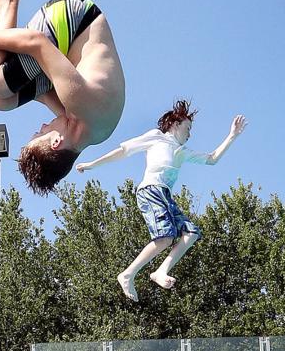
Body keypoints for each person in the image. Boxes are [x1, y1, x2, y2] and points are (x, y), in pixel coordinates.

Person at [0, 0, 126, 194]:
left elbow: (41, 93)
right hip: (75, 20)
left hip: (66, 55)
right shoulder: (83, 105)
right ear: (55, 142)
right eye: (40, 133)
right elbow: (37, 42)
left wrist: (7, 75)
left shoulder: (83, 130)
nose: (43, 126)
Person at [76, 101, 247, 301]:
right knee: (165, 238)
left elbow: (212, 158)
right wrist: (92, 164)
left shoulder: (182, 152)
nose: (190, 134)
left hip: (165, 195)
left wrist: (232, 136)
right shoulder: (156, 137)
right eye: (188, 128)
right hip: (150, 190)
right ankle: (128, 274)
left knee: (191, 233)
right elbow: (123, 151)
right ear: (175, 124)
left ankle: (160, 271)